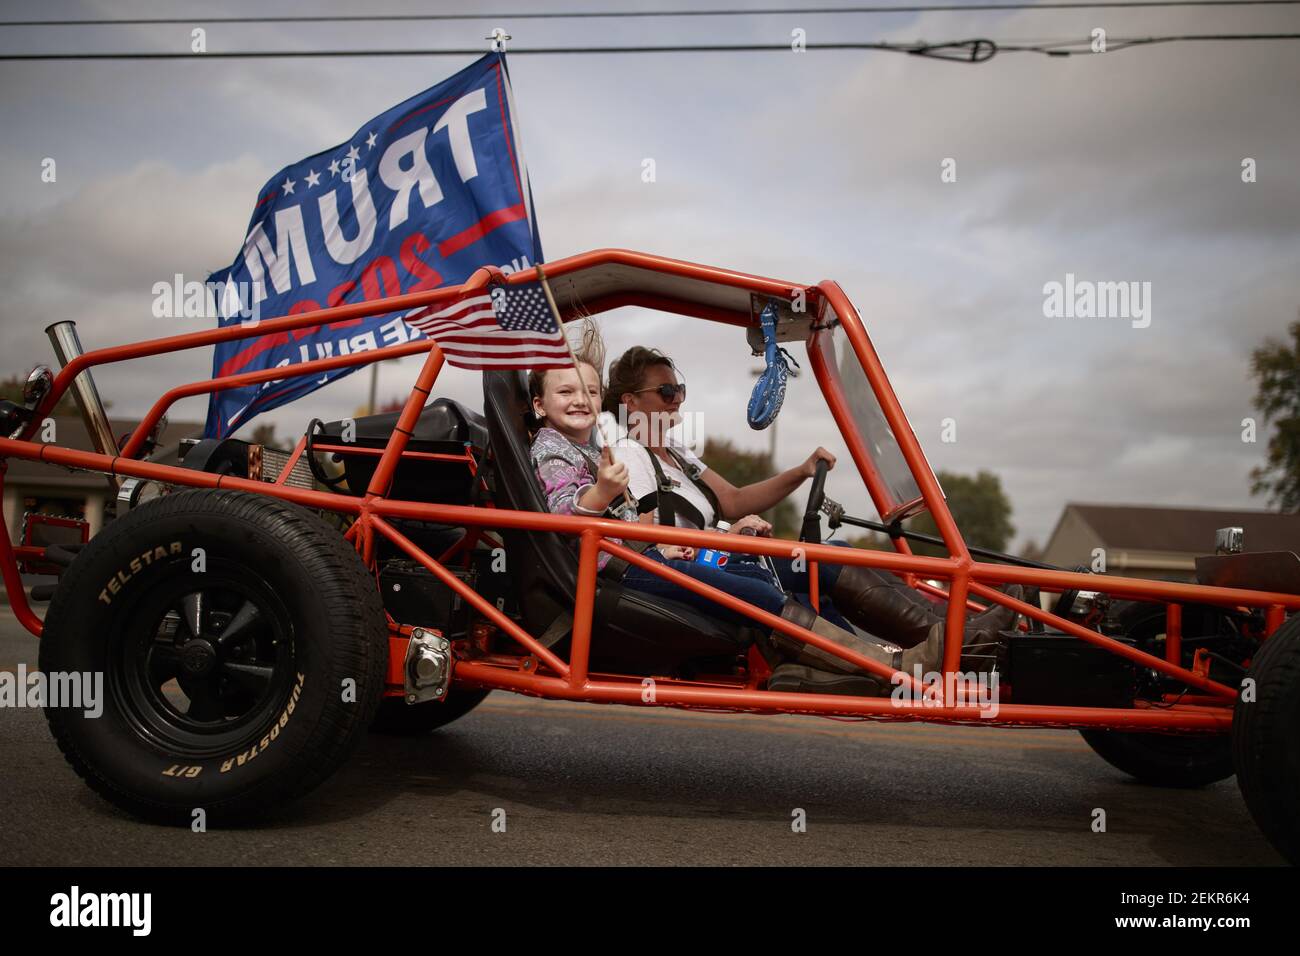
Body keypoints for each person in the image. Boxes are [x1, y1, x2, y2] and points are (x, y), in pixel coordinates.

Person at [528, 338, 1018, 696]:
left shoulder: (676, 454)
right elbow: (637, 529)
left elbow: (736, 498)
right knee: (796, 575)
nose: (678, 399)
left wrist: (801, 472)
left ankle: (942, 637)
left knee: (827, 559)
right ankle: (914, 657)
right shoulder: (626, 454)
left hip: (705, 554)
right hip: (683, 562)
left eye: (679, 390)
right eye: (667, 392)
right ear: (631, 402)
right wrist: (721, 534)